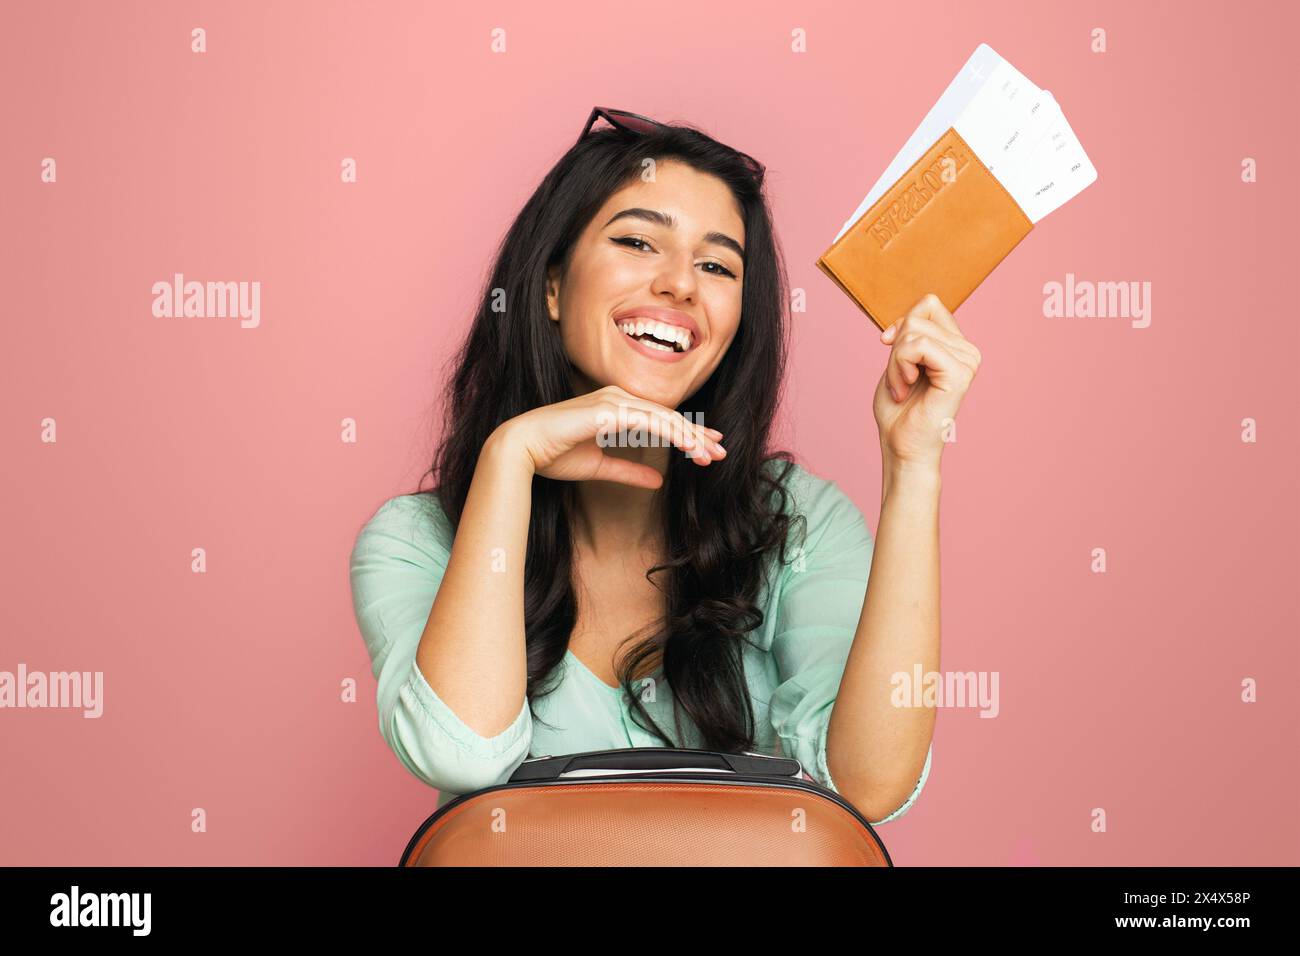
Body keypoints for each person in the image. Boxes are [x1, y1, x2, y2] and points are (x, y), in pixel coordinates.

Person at [349, 107, 980, 826]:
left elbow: (871, 787)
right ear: (552, 286)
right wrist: (510, 458)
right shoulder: (413, 542)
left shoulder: (797, 524)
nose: (681, 285)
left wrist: (913, 462)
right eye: (638, 241)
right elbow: (459, 753)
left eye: (716, 265)